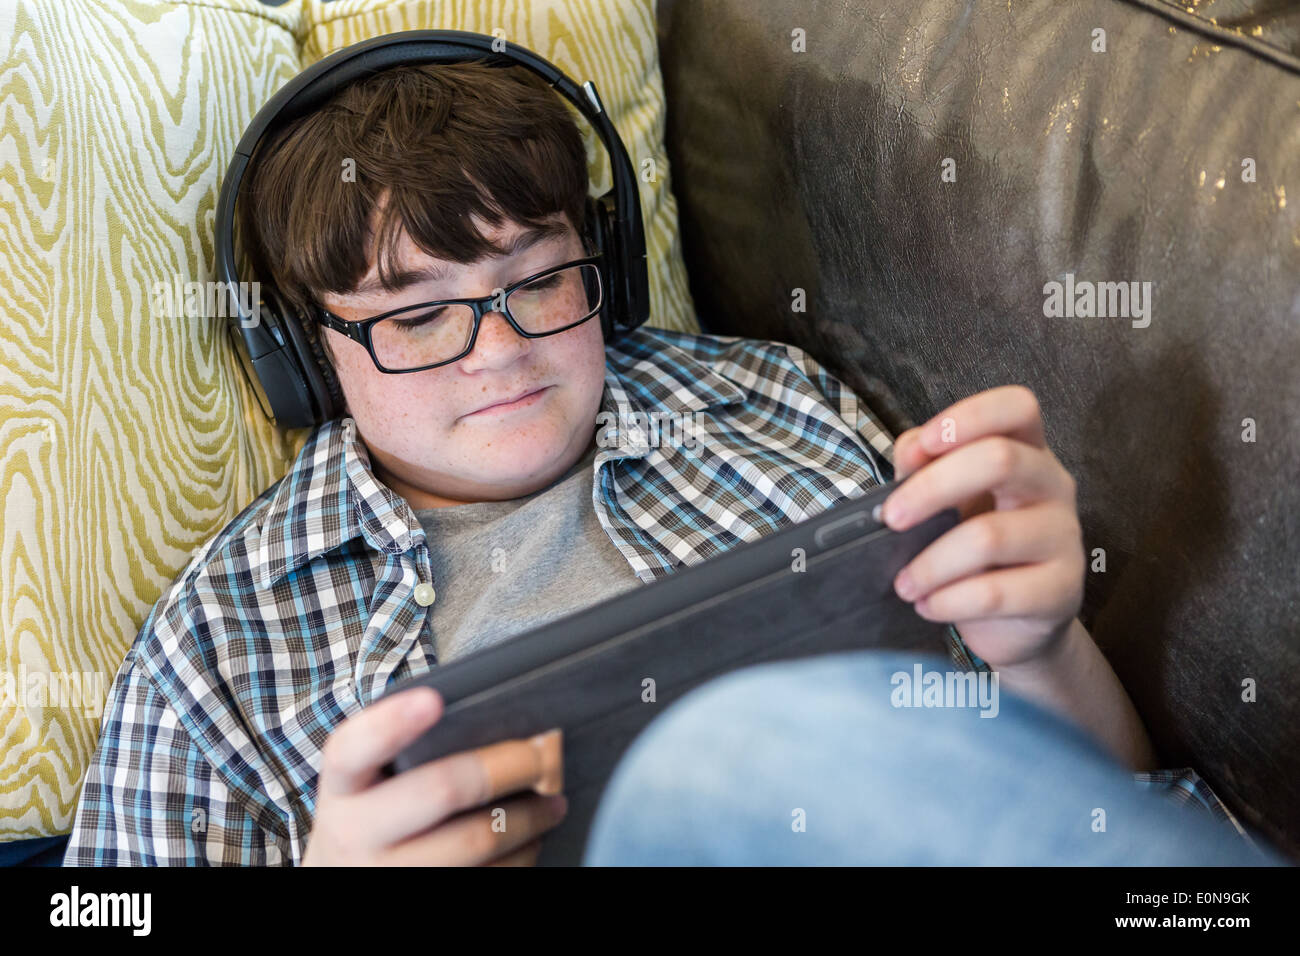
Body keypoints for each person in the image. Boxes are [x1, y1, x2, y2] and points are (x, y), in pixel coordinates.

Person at [64, 58, 1254, 866]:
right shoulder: (218, 640)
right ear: (305, 357)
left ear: (608, 267)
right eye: (416, 315)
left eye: (540, 278)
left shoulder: (768, 406)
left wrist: (1041, 648)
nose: (500, 349)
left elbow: (1097, 814)